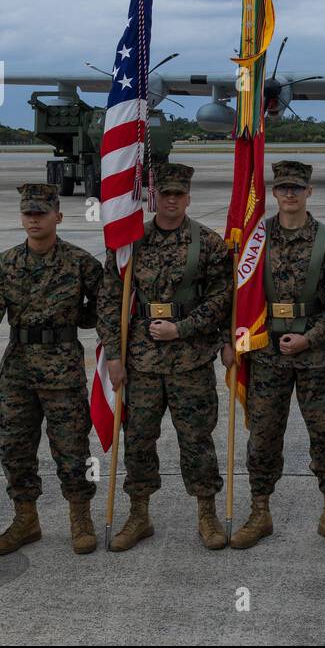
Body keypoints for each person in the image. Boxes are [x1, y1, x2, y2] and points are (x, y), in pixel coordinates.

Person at [0, 183, 103, 555]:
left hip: (63, 368)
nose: (34, 219)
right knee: (15, 447)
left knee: (71, 447)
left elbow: (104, 309)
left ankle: (80, 517)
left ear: (58, 216)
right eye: (28, 213)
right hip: (19, 369)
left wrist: (108, 348)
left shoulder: (81, 262)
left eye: (41, 212)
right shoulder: (4, 264)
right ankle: (26, 519)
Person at [98, 163, 232, 551]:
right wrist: (112, 355)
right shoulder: (131, 242)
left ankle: (206, 512)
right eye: (165, 194)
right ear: (153, 197)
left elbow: (223, 299)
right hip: (140, 361)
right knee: (138, 440)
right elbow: (110, 298)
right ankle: (139, 514)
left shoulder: (207, 243)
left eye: (179, 194)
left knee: (196, 441)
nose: (171, 200)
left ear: (188, 198)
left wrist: (183, 328)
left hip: (190, 360)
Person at [227, 160, 325, 550]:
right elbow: (236, 293)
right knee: (263, 437)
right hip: (266, 355)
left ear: (309, 192)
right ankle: (259, 511)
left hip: (314, 357)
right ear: (274, 192)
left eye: (297, 188)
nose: (290, 194)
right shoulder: (255, 240)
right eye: (283, 188)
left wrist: (311, 338)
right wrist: (229, 341)